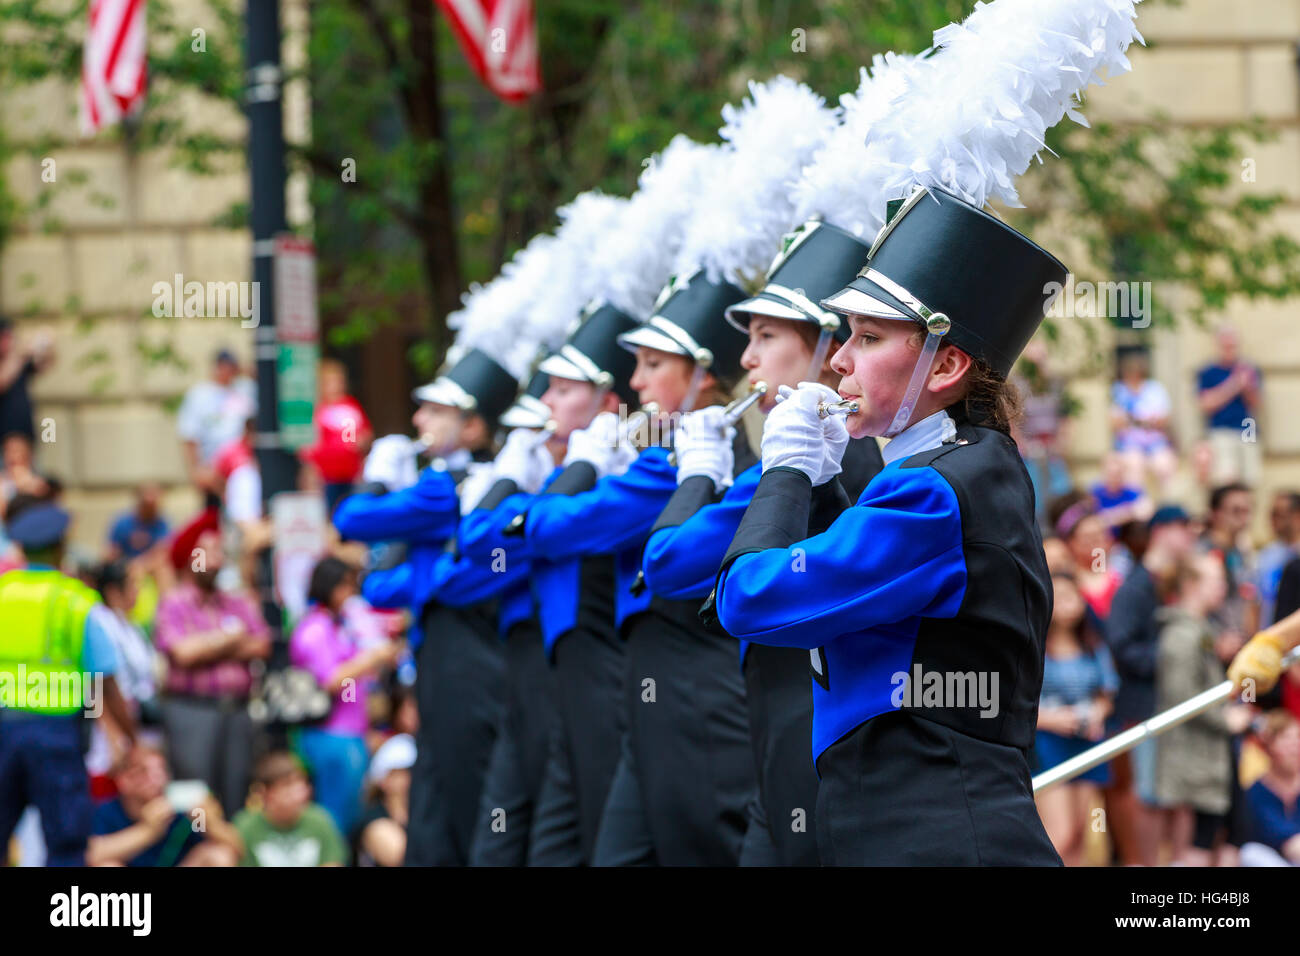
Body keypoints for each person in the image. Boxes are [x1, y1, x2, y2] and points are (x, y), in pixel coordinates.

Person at [713, 185, 1065, 865]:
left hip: (934, 829)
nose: (839, 358)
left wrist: (782, 472)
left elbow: (748, 598)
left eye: (868, 337)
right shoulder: (953, 468)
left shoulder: (931, 492)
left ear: (949, 364)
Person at [648, 219, 885, 866]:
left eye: (767, 336)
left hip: (808, 731)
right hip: (773, 731)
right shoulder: (797, 461)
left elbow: (668, 564)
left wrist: (699, 474)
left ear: (825, 349)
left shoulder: (817, 463)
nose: (746, 358)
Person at [457, 309, 641, 867]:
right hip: (559, 676)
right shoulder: (563, 481)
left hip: (607, 674)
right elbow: (475, 542)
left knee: (598, 840)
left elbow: (538, 528)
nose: (547, 404)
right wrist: (517, 474)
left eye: (564, 390)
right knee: (552, 848)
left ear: (609, 405)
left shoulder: (624, 475)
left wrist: (570, 474)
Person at [334, 346, 518, 866]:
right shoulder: (438, 485)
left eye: (437, 410)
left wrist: (376, 477)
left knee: (473, 809)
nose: (419, 420)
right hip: (439, 666)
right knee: (433, 818)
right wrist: (430, 577)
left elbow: (351, 517)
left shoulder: (443, 490)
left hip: (471, 665)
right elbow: (377, 587)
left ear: (476, 426)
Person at [0, 496, 137, 866]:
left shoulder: (3, 593)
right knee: (66, 846)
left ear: (20, 547)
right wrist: (130, 735)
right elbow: (102, 684)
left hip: (3, 732)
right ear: (62, 548)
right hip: (56, 739)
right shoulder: (77, 602)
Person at [153, 520, 270, 816]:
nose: (216, 560)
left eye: (220, 552)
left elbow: (261, 645)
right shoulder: (173, 602)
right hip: (193, 711)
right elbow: (184, 654)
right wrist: (231, 639)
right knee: (195, 796)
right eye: (208, 552)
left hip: (238, 711)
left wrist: (208, 646)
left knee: (237, 791)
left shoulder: (237, 602)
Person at [1104, 504, 1196, 865]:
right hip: (1143, 708)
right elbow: (1122, 648)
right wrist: (1175, 657)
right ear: (1161, 531)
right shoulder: (1136, 587)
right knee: (1147, 796)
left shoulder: (1172, 582)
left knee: (1175, 799)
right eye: (1184, 526)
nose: (1190, 535)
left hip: (1172, 707)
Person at [1154, 554, 1255, 865]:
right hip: (1194, 755)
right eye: (1215, 581)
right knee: (1199, 836)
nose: (1222, 588)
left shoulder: (1201, 631)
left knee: (1219, 831)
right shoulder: (1182, 636)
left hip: (1208, 753)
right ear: (1190, 585)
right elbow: (1182, 699)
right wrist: (1226, 720)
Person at [290, 556, 400, 837]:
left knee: (351, 814)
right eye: (346, 585)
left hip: (352, 734)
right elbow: (332, 680)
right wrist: (374, 657)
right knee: (333, 818)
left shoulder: (343, 624)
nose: (350, 593)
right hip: (330, 736)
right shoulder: (315, 629)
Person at [1033, 574, 1118, 866]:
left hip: (1087, 744)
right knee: (1060, 835)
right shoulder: (1034, 648)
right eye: (1061, 598)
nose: (1069, 605)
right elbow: (1017, 703)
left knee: (1082, 834)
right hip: (1047, 747)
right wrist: (1051, 720)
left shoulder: (1093, 645)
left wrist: (1097, 712)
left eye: (1073, 597)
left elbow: (1106, 693)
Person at [87, 743, 241, 867]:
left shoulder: (180, 806)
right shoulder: (107, 812)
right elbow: (90, 854)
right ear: (123, 780)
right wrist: (147, 831)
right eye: (144, 772)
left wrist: (207, 822)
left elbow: (235, 848)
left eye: (161, 771)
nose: (157, 779)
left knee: (219, 855)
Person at [233, 751, 348, 866]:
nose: (299, 792)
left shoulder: (320, 820)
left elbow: (333, 862)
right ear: (265, 793)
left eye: (301, 783)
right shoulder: (246, 826)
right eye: (287, 785)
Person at [176, 348, 256, 502]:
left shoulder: (245, 389)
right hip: (214, 470)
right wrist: (196, 471)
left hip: (243, 466)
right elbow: (189, 436)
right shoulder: (200, 395)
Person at [300, 359, 373, 515]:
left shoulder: (351, 406)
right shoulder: (318, 409)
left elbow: (362, 434)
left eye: (338, 381)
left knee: (351, 510)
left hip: (350, 471)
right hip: (326, 475)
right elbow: (308, 443)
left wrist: (361, 442)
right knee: (329, 512)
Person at [1197, 326, 1262, 488]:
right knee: (1226, 478)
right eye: (1226, 345)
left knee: (1250, 478)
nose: (1229, 350)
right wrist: (1233, 385)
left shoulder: (1249, 369)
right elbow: (1206, 404)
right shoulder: (1208, 372)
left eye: (1232, 345)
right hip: (1221, 429)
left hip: (1247, 428)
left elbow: (1256, 404)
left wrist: (1248, 387)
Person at [1239, 710, 1300, 866]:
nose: (1294, 749)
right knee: (1250, 854)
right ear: (1269, 747)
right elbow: (1284, 841)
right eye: (1287, 741)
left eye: (1297, 740)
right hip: (1275, 860)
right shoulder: (1256, 792)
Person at [1110, 350, 1176, 487]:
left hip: (1156, 444)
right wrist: (1145, 421)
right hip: (1129, 445)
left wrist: (1135, 420)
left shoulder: (1155, 389)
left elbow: (1164, 420)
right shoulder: (1119, 391)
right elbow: (1116, 423)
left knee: (1165, 466)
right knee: (1133, 468)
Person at [354, 733, 415, 867]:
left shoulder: (421, 816)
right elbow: (401, 857)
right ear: (384, 781)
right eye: (404, 772)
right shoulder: (374, 820)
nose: (412, 778)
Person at [0, 318, 55, 456]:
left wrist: (46, 344)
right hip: (4, 438)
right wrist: (19, 355)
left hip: (25, 436)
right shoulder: (16, 360)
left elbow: (46, 365)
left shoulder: (20, 361)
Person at [1256, 491, 1300, 628]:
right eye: (1271, 514)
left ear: (1297, 516)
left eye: (1279, 514)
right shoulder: (1266, 555)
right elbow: (1256, 601)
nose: (1272, 520)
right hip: (1268, 634)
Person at [106, 483, 170, 562]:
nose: (149, 510)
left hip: (149, 566)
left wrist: (141, 564)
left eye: (152, 505)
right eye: (146, 505)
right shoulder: (122, 523)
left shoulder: (163, 525)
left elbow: (162, 551)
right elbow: (111, 549)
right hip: (124, 565)